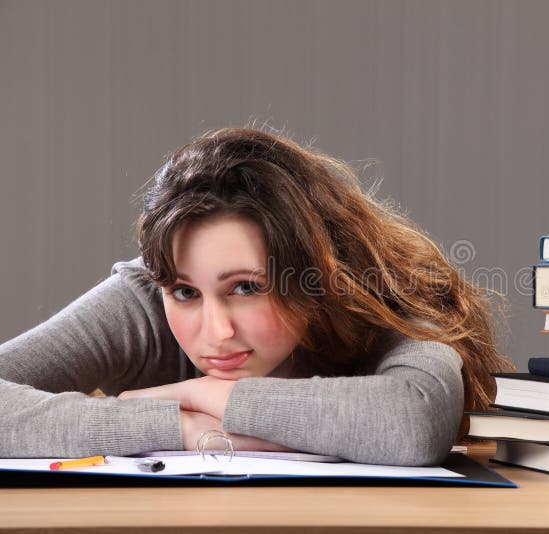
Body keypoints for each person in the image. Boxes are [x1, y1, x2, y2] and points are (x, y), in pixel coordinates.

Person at [0, 128, 512, 466]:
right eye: (185, 292)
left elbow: (415, 419)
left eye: (246, 287)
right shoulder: (142, 300)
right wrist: (182, 429)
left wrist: (207, 394)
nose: (216, 333)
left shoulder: (373, 296)